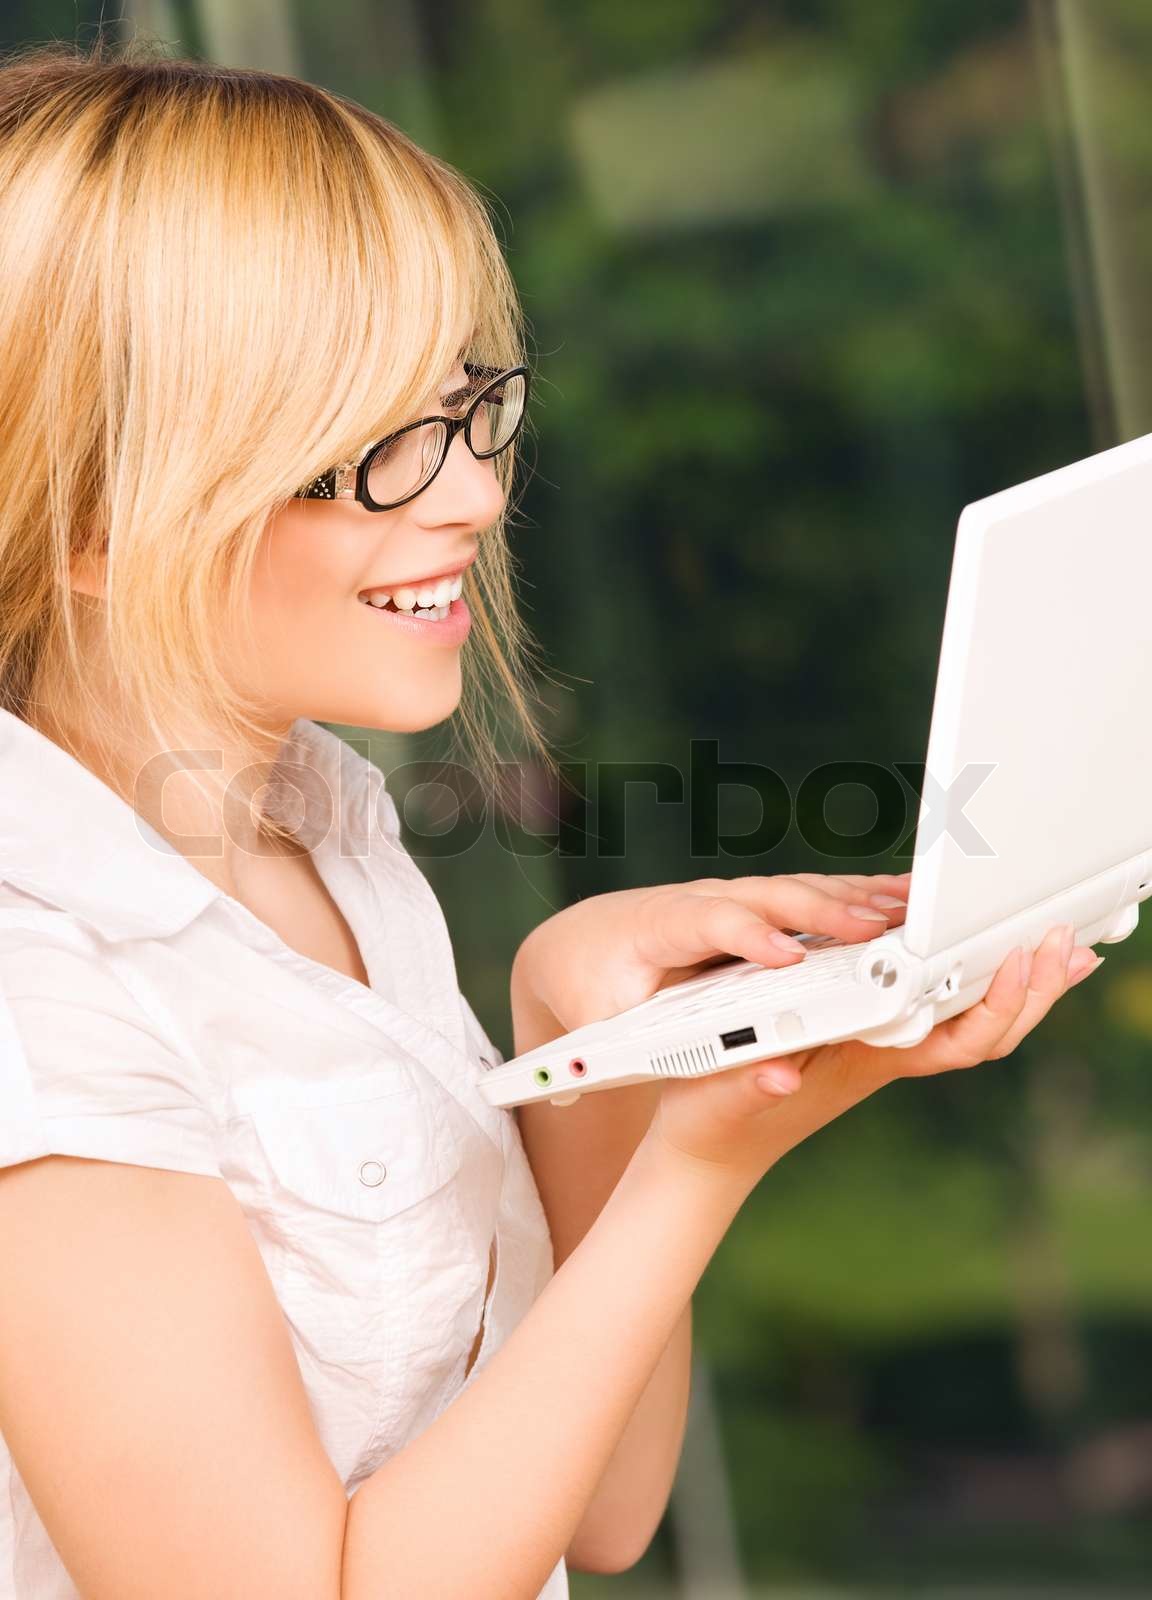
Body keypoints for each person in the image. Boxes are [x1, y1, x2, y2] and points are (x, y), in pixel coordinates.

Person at [0, 36, 1102, 1600]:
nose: (468, 495)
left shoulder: (328, 834)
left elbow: (602, 1509)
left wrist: (574, 1041)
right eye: (363, 452)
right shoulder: (38, 999)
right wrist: (701, 1166)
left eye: (467, 406)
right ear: (93, 523)